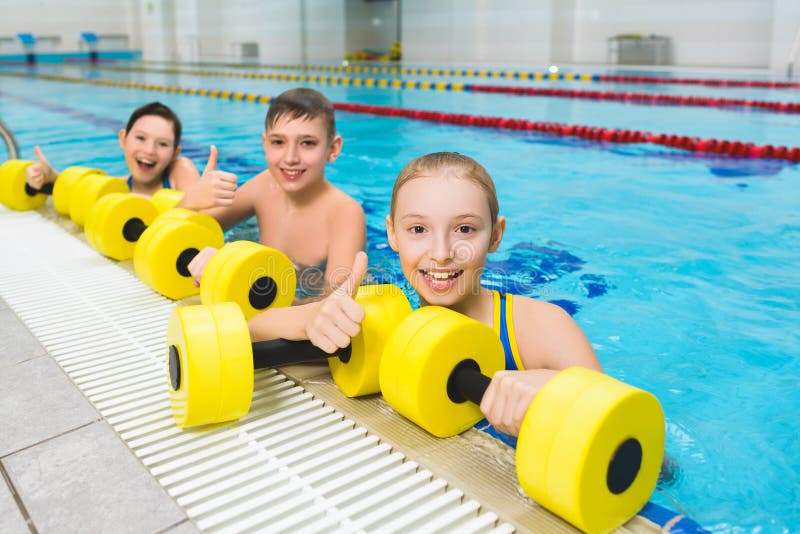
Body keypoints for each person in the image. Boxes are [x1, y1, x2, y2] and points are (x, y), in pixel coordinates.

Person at [248, 151, 601, 439]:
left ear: (496, 235)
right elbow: (250, 333)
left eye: (464, 229)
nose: (442, 252)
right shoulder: (387, 329)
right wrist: (313, 318)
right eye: (418, 229)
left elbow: (649, 457)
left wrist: (559, 389)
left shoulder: (536, 326)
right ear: (392, 234)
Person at [187, 87, 366, 300]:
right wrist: (192, 199)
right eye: (278, 142)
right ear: (265, 144)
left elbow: (333, 307)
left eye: (307, 143)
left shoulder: (345, 215)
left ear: (333, 149)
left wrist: (231, 275)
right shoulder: (264, 185)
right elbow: (189, 234)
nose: (290, 158)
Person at [25, 101, 205, 198]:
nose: (149, 150)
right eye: (141, 138)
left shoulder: (180, 172)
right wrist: (51, 178)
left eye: (163, 144)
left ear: (175, 153)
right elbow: (79, 187)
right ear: (123, 139)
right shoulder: (116, 188)